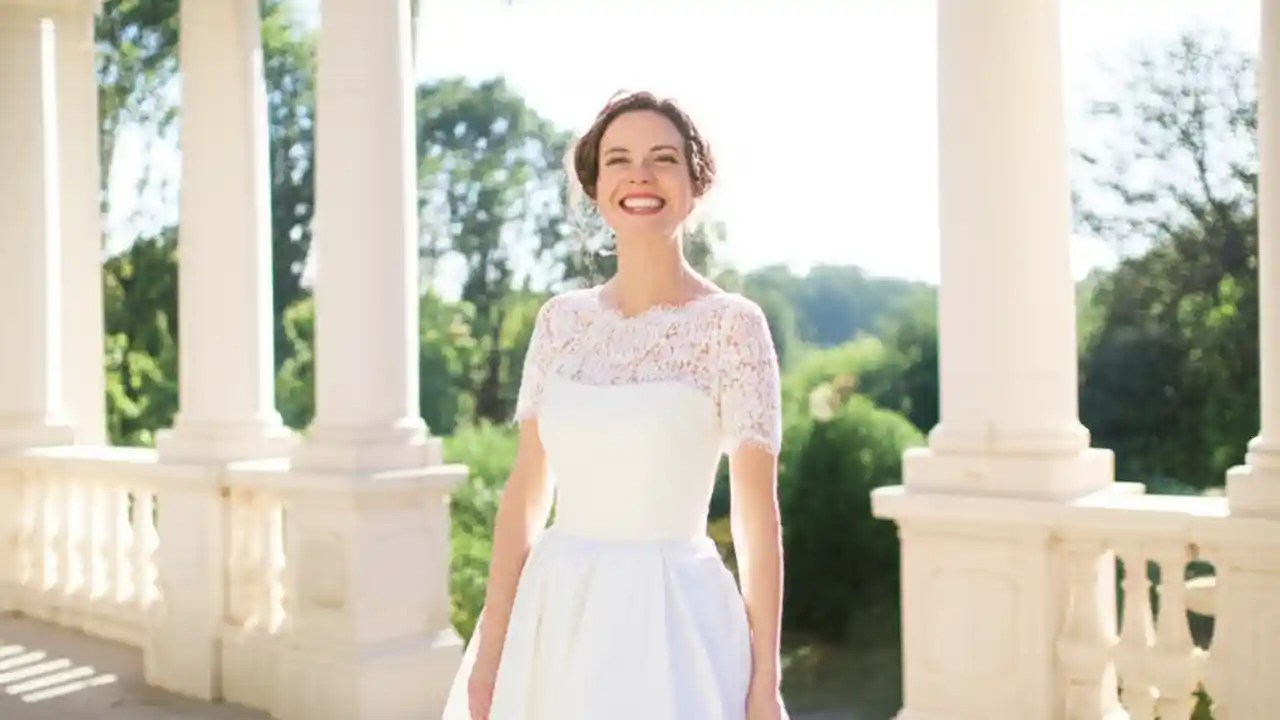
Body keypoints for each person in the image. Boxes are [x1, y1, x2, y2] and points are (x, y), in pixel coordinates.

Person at [441, 89, 788, 720]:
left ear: (695, 182)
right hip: (556, 617)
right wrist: (490, 655)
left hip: (675, 621)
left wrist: (765, 682)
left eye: (663, 159)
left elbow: (755, 521)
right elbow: (524, 497)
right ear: (597, 187)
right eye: (619, 160)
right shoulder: (560, 322)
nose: (640, 176)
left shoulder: (732, 327)